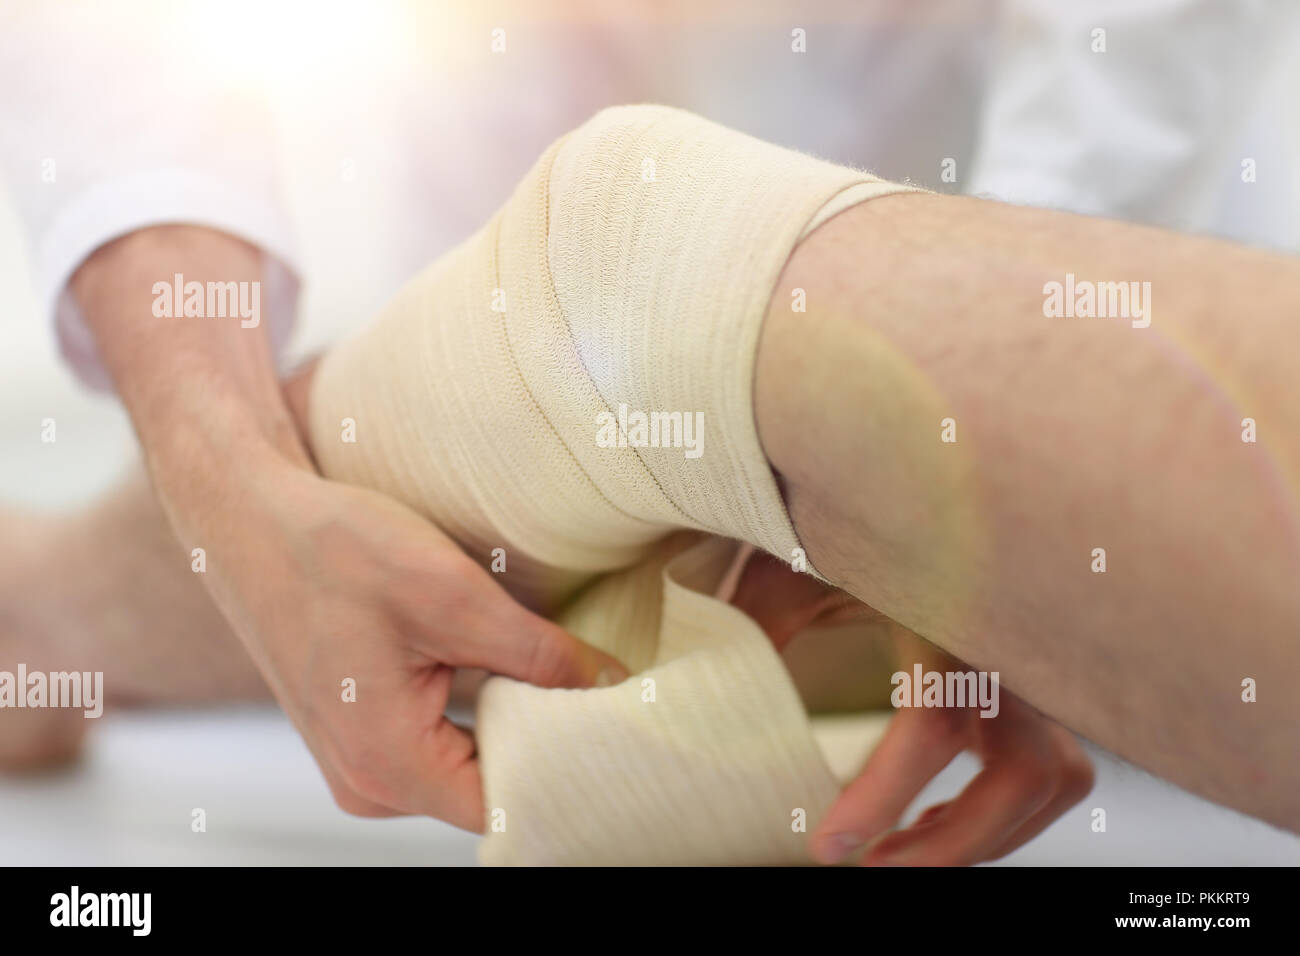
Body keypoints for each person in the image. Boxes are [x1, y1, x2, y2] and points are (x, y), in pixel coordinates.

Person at [0, 0, 1294, 863]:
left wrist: (954, 489)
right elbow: (124, 55)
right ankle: (46, 613)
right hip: (573, 253)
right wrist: (224, 481)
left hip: (1008, 216)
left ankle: (51, 607)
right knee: (572, 359)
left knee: (620, 293)